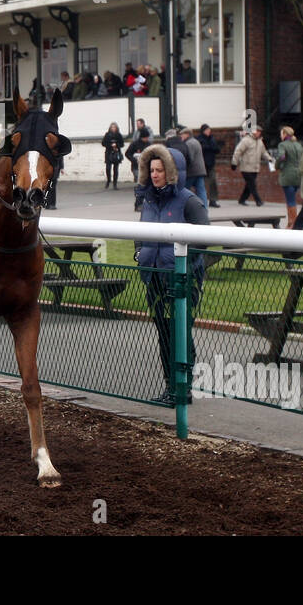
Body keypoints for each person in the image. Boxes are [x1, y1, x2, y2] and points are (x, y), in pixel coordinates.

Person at [134, 143, 207, 407]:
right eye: (151, 170)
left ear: (172, 171)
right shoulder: (149, 200)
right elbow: (141, 234)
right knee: (164, 334)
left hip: (181, 280)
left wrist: (183, 265)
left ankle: (182, 388)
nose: (154, 175)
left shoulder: (189, 201)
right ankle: (170, 387)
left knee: (180, 332)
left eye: (160, 170)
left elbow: (204, 239)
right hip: (154, 278)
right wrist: (139, 253)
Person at [231, 125, 272, 206]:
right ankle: (258, 201)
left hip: (255, 167)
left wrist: (269, 159)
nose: (258, 133)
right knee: (252, 184)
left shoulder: (260, 141)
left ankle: (242, 199)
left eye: (259, 132)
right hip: (246, 167)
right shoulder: (246, 140)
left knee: (249, 185)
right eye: (257, 131)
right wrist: (234, 163)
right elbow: (238, 151)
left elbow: (264, 152)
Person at [274, 126, 303, 229]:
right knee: (292, 199)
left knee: (290, 200)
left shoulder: (282, 145)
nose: (280, 135)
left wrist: (277, 165)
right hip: (298, 176)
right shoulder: (298, 145)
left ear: (285, 134)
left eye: (281, 133)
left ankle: (293, 223)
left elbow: (282, 157)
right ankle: (292, 222)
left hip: (287, 175)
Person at [177, 127, 208, 209]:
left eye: (182, 134)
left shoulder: (189, 143)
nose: (181, 137)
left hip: (192, 171)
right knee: (201, 190)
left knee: (185, 190)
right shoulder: (196, 141)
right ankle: (204, 208)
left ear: (187, 134)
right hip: (200, 170)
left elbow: (189, 157)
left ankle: (183, 207)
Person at [125, 126, 151, 210]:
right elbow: (127, 153)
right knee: (140, 185)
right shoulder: (135, 144)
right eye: (145, 137)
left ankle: (141, 203)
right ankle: (138, 203)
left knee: (143, 186)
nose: (147, 139)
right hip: (137, 167)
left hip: (146, 168)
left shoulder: (149, 144)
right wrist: (134, 160)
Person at [199, 123, 221, 208]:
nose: (209, 132)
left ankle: (213, 200)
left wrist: (210, 146)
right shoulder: (200, 139)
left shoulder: (212, 139)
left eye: (209, 130)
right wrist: (209, 147)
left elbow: (217, 149)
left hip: (211, 164)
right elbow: (203, 148)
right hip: (203, 165)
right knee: (202, 184)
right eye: (207, 130)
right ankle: (201, 200)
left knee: (213, 182)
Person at [102, 122, 124, 189]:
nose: (113, 128)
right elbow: (103, 143)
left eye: (114, 127)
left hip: (116, 153)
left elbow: (122, 144)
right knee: (108, 168)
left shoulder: (119, 135)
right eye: (112, 127)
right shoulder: (107, 135)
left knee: (115, 169)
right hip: (108, 153)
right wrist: (110, 145)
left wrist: (116, 145)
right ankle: (108, 180)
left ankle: (115, 183)